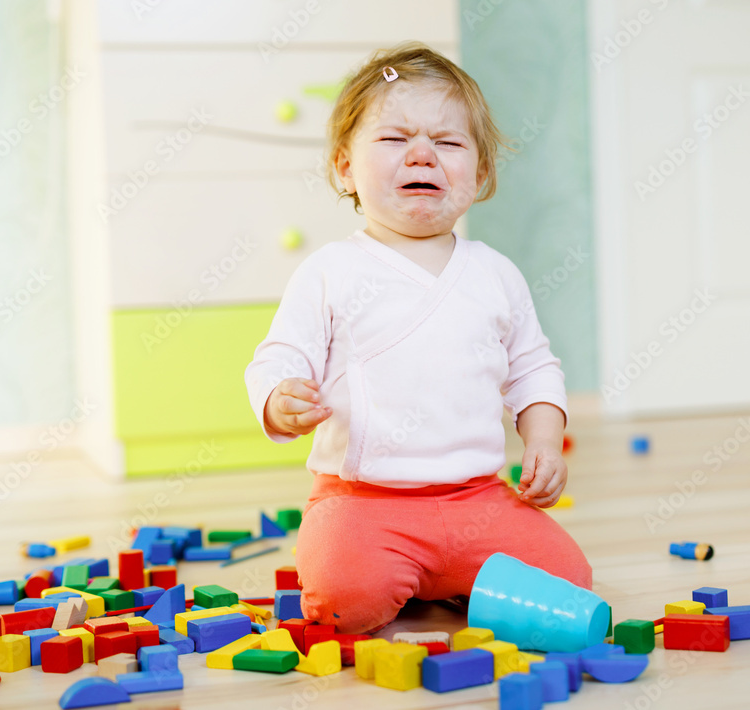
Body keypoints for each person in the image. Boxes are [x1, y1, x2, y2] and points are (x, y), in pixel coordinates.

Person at [245, 41, 591, 635]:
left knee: (569, 588)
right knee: (342, 606)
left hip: (478, 500)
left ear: (479, 173)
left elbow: (534, 369)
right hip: (362, 501)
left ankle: (447, 575)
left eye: (449, 143)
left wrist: (544, 437)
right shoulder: (330, 271)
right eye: (394, 138)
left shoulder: (495, 273)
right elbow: (279, 356)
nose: (423, 155)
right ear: (345, 166)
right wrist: (281, 397)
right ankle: (418, 576)